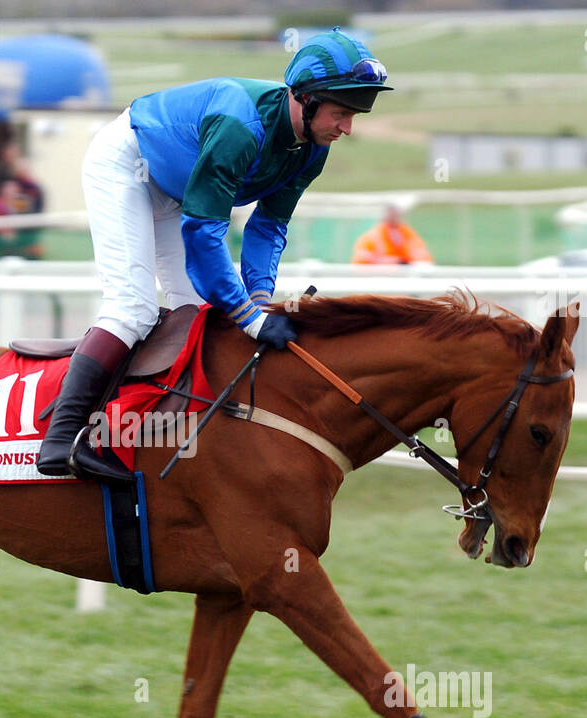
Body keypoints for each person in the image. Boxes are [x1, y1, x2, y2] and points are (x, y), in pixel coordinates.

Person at [35, 28, 391, 481]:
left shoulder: (311, 150)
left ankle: (143, 431)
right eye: (342, 113)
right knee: (134, 308)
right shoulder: (240, 128)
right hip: (126, 164)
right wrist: (250, 315)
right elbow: (205, 231)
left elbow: (268, 226)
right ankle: (60, 438)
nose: (347, 128)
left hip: (177, 189)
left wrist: (258, 299)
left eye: (355, 115)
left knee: (201, 315)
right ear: (305, 98)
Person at [351, 203, 432, 265]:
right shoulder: (374, 236)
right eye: (392, 215)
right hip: (377, 274)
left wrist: (407, 261)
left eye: (396, 215)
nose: (394, 218)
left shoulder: (405, 232)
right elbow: (362, 257)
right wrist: (392, 261)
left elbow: (419, 252)